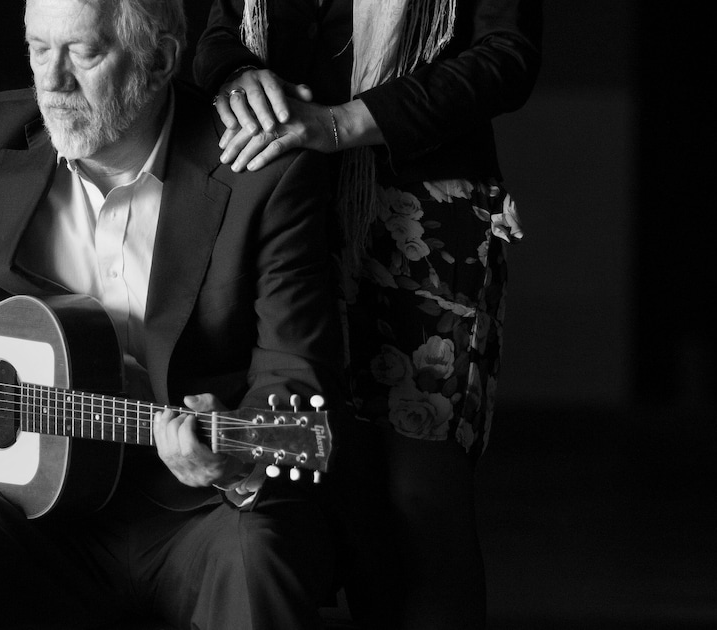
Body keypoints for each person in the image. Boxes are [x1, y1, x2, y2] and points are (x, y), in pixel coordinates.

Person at [0, 0, 346, 628]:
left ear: (159, 58)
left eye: (84, 51)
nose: (52, 79)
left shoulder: (260, 172)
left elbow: (293, 374)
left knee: (256, 554)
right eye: (39, 49)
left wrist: (234, 464)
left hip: (191, 515)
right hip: (25, 513)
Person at [194, 1, 542, 628]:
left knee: (419, 495)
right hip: (293, 212)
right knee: (341, 492)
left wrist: (339, 125)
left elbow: (506, 57)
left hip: (427, 221)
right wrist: (235, 74)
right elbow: (215, 30)